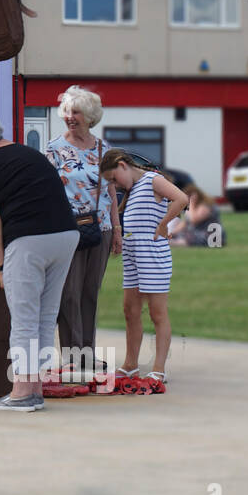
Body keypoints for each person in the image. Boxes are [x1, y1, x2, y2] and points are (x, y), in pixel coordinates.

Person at [0, 105, 79, 412]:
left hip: (28, 242)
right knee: (45, 317)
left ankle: (22, 392)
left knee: (23, 319)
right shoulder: (30, 153)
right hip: (66, 236)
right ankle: (36, 386)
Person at [44, 85, 119, 374]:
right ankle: (72, 356)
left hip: (101, 229)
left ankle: (87, 354)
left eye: (75, 112)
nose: (69, 117)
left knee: (91, 291)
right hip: (68, 229)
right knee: (69, 293)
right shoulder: (53, 149)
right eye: (66, 112)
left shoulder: (104, 149)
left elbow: (112, 192)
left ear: (89, 116)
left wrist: (117, 230)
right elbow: (49, 193)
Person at [100, 149, 189, 390]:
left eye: (114, 179)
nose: (115, 185)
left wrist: (163, 224)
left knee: (157, 313)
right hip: (133, 254)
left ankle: (158, 369)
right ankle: (131, 364)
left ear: (122, 165)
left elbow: (182, 198)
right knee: (130, 309)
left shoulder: (153, 181)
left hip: (152, 254)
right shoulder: (133, 190)